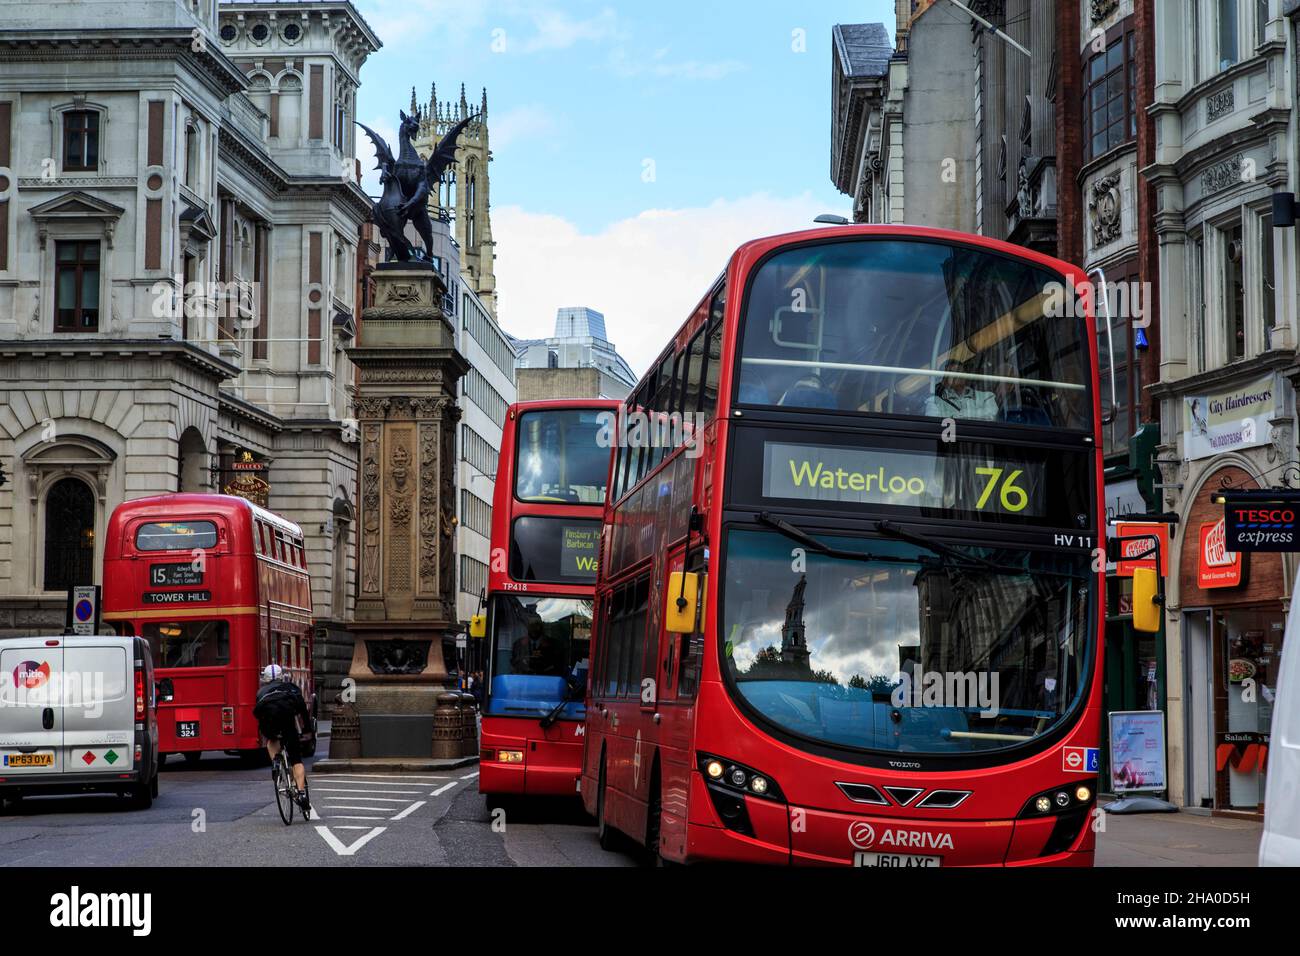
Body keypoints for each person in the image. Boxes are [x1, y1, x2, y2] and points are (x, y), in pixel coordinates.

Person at [252, 664, 312, 817]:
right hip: (287, 722)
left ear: (265, 678)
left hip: (269, 722)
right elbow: (303, 711)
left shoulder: (261, 692)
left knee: (271, 741)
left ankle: (275, 763)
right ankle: (301, 794)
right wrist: (307, 730)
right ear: (281, 676)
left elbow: (257, 713)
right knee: (296, 760)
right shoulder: (291, 688)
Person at [923, 360, 999, 420]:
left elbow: (992, 415)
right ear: (944, 379)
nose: (956, 374)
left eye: (959, 371)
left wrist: (957, 415)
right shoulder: (934, 401)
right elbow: (933, 422)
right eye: (951, 372)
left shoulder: (986, 397)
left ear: (965, 374)